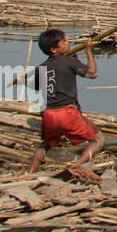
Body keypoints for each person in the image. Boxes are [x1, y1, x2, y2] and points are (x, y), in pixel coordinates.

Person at [26, 29, 105, 172]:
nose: (68, 43)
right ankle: (76, 166)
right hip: (67, 112)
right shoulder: (68, 62)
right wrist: (88, 51)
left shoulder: (42, 67)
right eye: (64, 42)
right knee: (98, 140)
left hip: (49, 114)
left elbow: (36, 87)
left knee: (45, 145)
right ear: (54, 49)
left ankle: (29, 172)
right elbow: (92, 73)